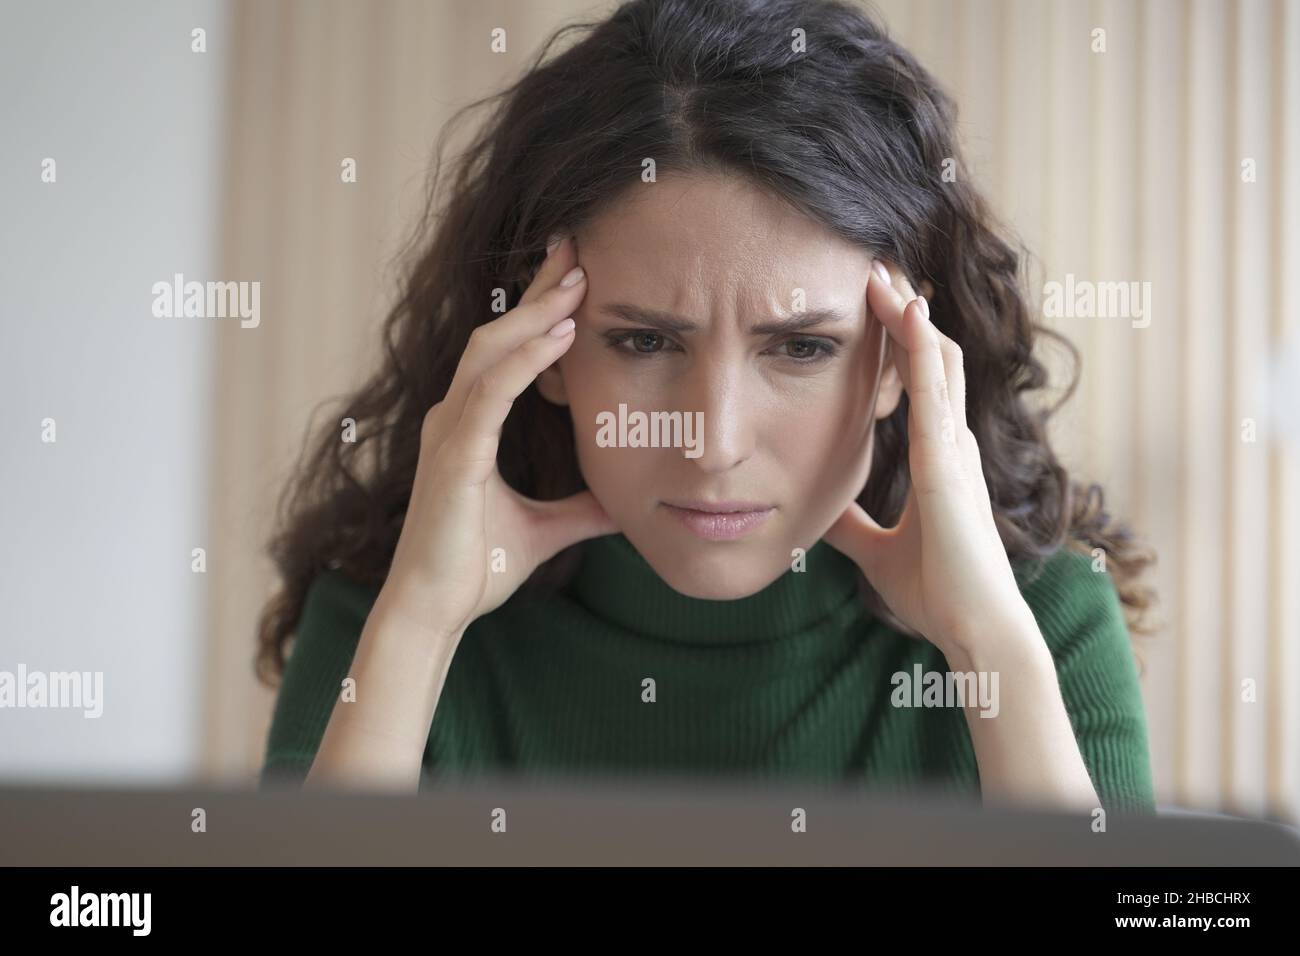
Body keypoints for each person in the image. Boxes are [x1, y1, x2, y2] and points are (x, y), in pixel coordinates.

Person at [255, 0, 1157, 814]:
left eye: (802, 347)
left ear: (900, 364)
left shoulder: (1041, 619)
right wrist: (418, 627)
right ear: (543, 351)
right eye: (645, 342)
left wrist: (987, 649)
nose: (713, 444)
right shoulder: (390, 611)